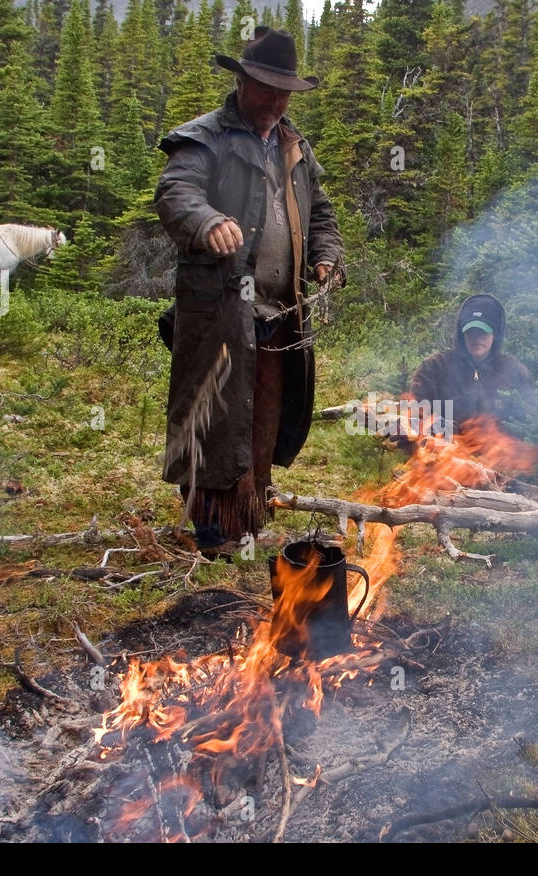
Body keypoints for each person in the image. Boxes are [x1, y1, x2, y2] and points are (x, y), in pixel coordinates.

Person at [155, 27, 344, 551]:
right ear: (241, 81)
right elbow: (176, 191)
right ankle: (212, 530)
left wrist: (327, 256)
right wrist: (206, 220)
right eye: (265, 87)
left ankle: (249, 520)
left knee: (263, 414)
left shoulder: (295, 147)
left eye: (284, 91)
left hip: (281, 313)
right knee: (213, 415)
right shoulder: (206, 137)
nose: (275, 100)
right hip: (219, 309)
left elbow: (321, 211)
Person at [407, 294, 537, 440]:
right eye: (471, 332)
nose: (477, 338)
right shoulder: (434, 367)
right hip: (445, 453)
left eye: (483, 332)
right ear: (462, 334)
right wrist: (435, 425)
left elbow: (530, 423)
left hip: (499, 456)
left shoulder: (515, 372)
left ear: (496, 334)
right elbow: (416, 415)